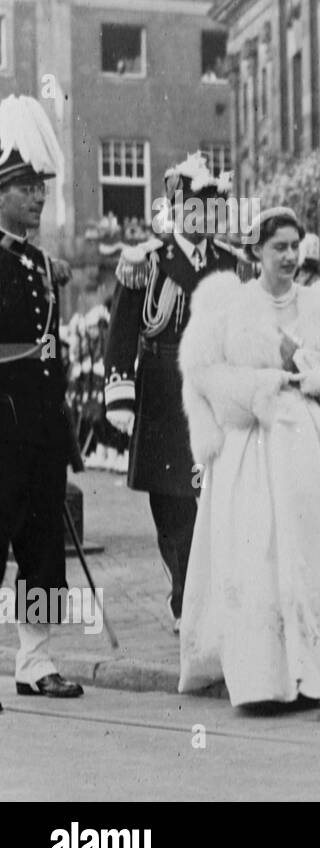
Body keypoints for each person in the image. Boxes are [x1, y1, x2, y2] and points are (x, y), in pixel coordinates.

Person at [177, 207, 320, 706]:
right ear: (256, 252)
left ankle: (315, 653)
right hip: (250, 448)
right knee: (257, 548)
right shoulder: (229, 308)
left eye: (296, 245)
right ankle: (263, 666)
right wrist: (258, 386)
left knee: (311, 542)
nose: (291, 256)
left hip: (307, 450)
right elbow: (204, 374)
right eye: (280, 247)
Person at [104, 152, 241, 632]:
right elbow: (122, 330)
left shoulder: (230, 263)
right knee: (173, 502)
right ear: (178, 209)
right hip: (163, 392)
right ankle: (185, 598)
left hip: (214, 392)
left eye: (213, 208)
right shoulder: (150, 262)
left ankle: (212, 593)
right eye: (195, 208)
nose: (205, 218)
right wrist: (119, 391)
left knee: (214, 496)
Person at [0, 94, 84, 701]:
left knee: (41, 547)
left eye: (41, 186)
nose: (38, 197)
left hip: (39, 426)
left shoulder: (37, 263)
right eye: (26, 185)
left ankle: (35, 660)